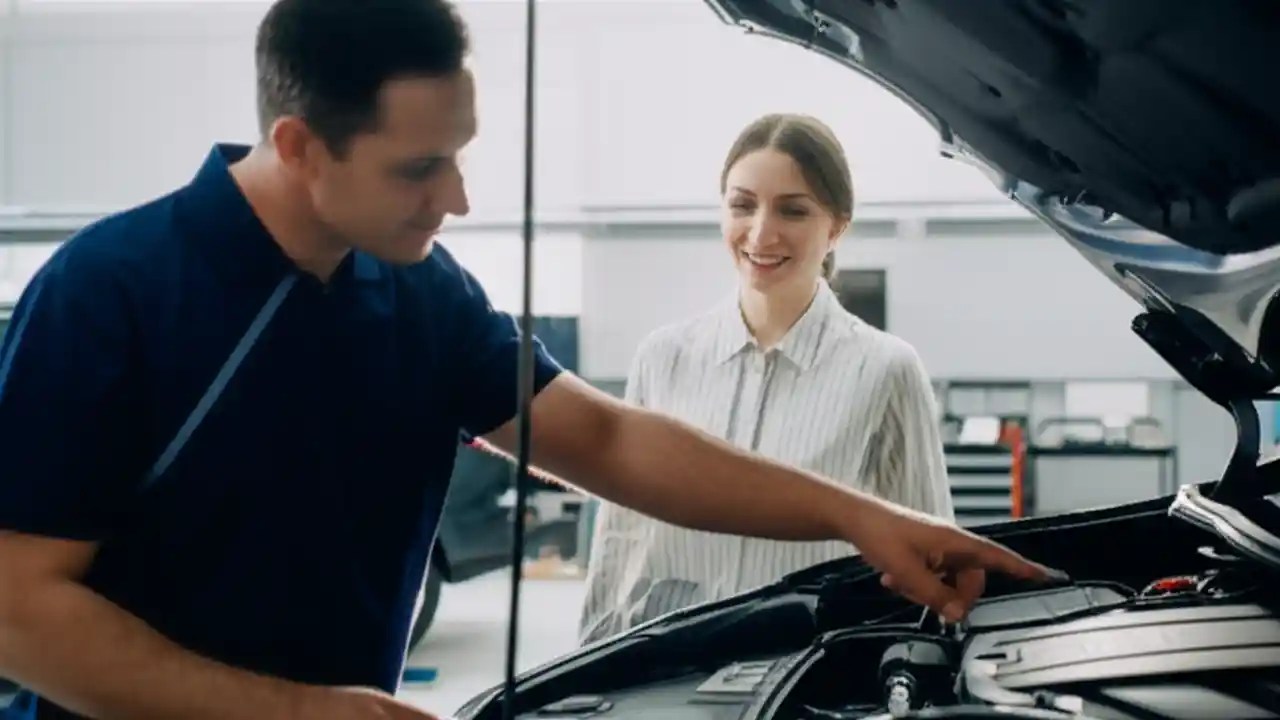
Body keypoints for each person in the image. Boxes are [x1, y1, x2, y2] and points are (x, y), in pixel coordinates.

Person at [0, 2, 1061, 719]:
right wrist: (308, 716)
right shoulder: (111, 295)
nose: (455, 199)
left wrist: (862, 516)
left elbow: (600, 437)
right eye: (420, 168)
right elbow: (18, 611)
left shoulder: (418, 289)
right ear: (298, 147)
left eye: (460, 154)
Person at [577, 114, 956, 644]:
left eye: (793, 210)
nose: (760, 232)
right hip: (671, 671)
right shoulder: (663, 357)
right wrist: (586, 669)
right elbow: (620, 539)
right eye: (742, 205)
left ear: (837, 226)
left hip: (805, 678)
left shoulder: (885, 369)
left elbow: (930, 556)